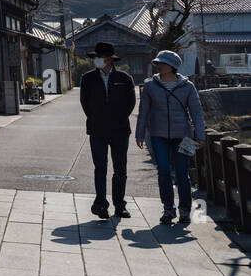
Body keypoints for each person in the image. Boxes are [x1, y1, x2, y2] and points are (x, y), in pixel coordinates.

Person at [136, 49, 206, 225]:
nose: (159, 65)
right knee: (164, 171)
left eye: (162, 63)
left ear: (172, 66)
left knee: (183, 174)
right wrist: (140, 134)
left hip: (185, 136)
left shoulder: (188, 86)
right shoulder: (150, 86)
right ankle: (168, 209)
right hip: (158, 135)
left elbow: (197, 112)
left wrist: (200, 135)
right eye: (158, 63)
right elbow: (143, 111)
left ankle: (184, 211)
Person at [79, 41, 136, 219]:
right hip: (97, 129)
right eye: (96, 57)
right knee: (100, 167)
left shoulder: (124, 79)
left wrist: (117, 117)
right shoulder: (88, 78)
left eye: (101, 57)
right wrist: (96, 117)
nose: (97, 60)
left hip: (120, 129)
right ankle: (101, 203)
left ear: (110, 59)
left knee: (120, 169)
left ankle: (120, 205)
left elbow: (131, 103)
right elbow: (85, 103)